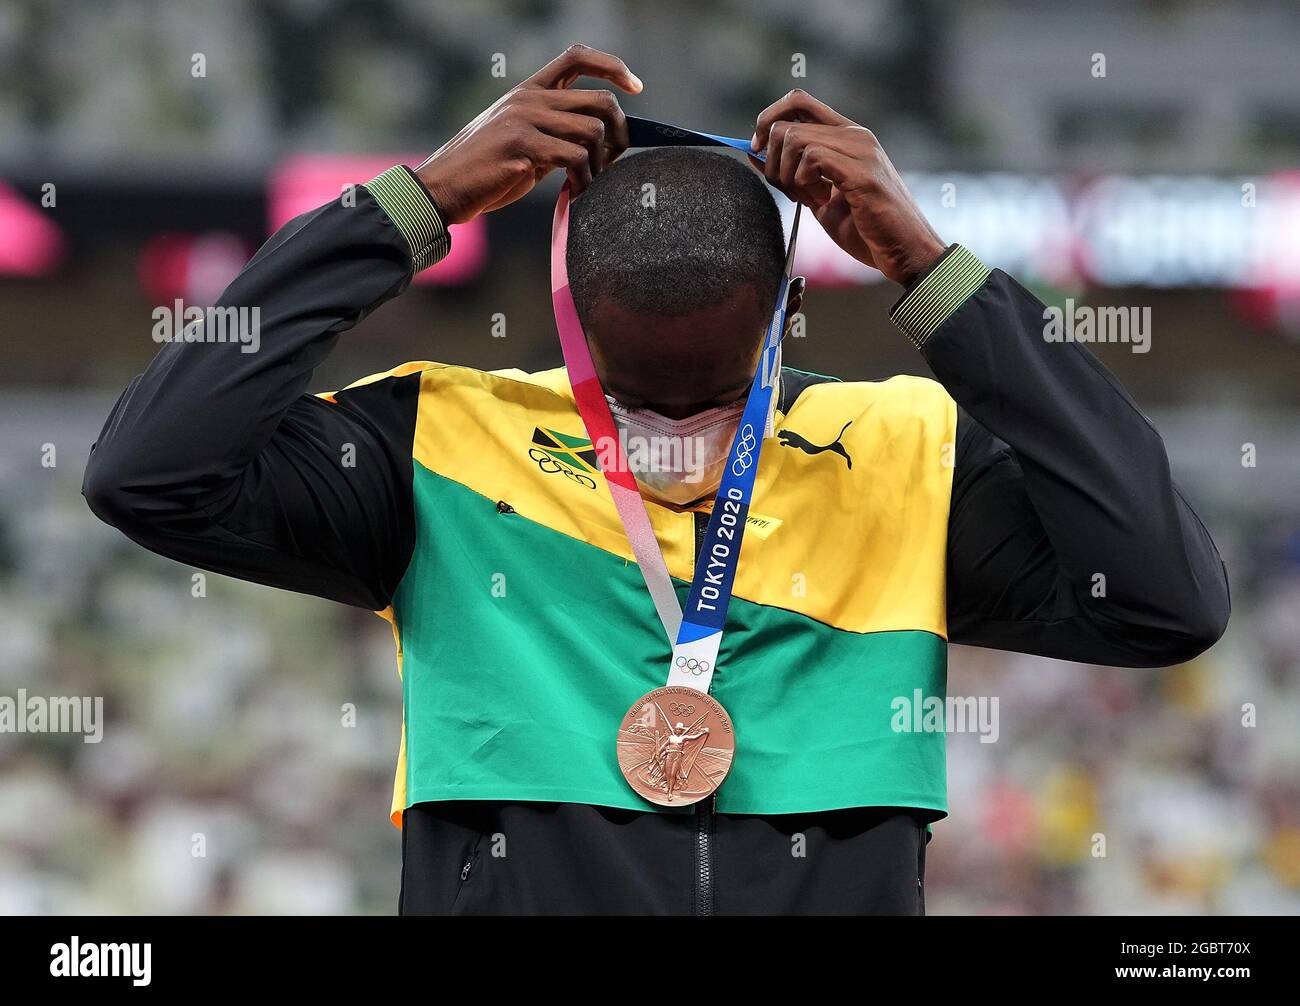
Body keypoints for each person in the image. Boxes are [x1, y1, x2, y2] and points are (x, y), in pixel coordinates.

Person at [83, 45, 1230, 915]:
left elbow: (1165, 596)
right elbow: (151, 472)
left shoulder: (443, 440)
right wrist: (926, 273)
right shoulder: (447, 435)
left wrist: (418, 204)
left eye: (701, 401)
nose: (674, 442)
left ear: (561, 310)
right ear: (794, 305)